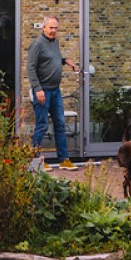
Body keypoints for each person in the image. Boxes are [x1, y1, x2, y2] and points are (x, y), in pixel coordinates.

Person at [27, 16, 78, 171]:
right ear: (44, 28)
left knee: (60, 125)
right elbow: (31, 68)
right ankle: (37, 161)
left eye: (56, 28)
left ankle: (64, 160)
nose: (54, 31)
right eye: (51, 28)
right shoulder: (37, 44)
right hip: (43, 91)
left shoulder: (54, 42)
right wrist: (38, 89)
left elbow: (51, 59)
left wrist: (64, 61)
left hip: (55, 91)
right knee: (42, 125)